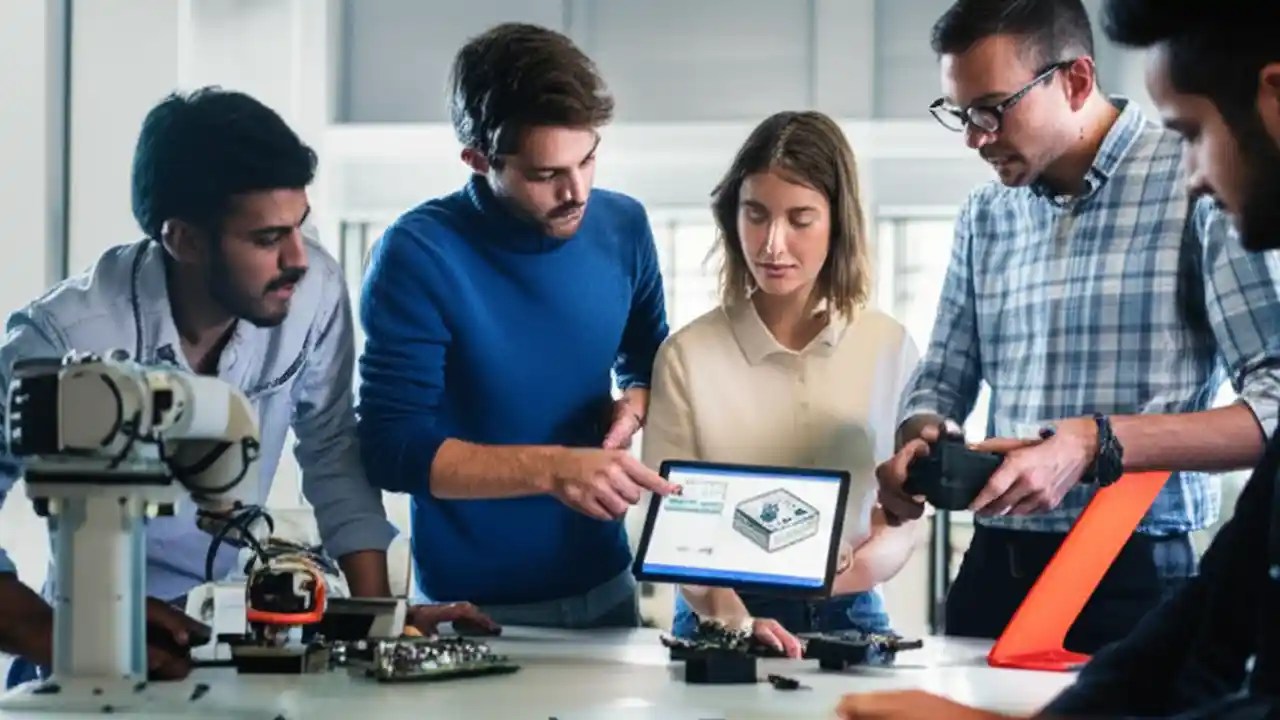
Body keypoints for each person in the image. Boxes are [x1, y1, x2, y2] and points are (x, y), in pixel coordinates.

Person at [837, 2, 1280, 718]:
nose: (976, 139)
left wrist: (1094, 443)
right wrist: (921, 437)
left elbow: (1276, 398)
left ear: (1076, 80)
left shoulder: (1204, 179)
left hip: (1134, 572)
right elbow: (943, 376)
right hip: (993, 566)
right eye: (962, 116)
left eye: (992, 110)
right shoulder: (987, 213)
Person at [0, 87, 495, 685]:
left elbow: (333, 452)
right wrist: (49, 630)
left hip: (222, 628)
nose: (298, 258)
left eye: (299, 227)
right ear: (182, 239)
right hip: (87, 635)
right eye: (266, 239)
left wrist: (381, 626)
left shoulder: (309, 294)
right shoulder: (59, 337)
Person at [356, 23, 677, 630]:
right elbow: (390, 449)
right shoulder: (417, 253)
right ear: (478, 162)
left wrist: (633, 405)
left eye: (587, 159)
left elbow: (651, 362)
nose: (576, 190)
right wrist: (553, 468)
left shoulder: (625, 226)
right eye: (544, 174)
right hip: (471, 610)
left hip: (609, 591)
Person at [641, 111, 920, 656]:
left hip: (851, 611)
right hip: (716, 613)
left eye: (800, 218)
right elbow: (671, 526)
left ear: (838, 222)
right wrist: (737, 620)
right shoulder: (686, 355)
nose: (772, 244)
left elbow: (905, 520)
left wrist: (824, 585)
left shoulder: (889, 346)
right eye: (756, 214)